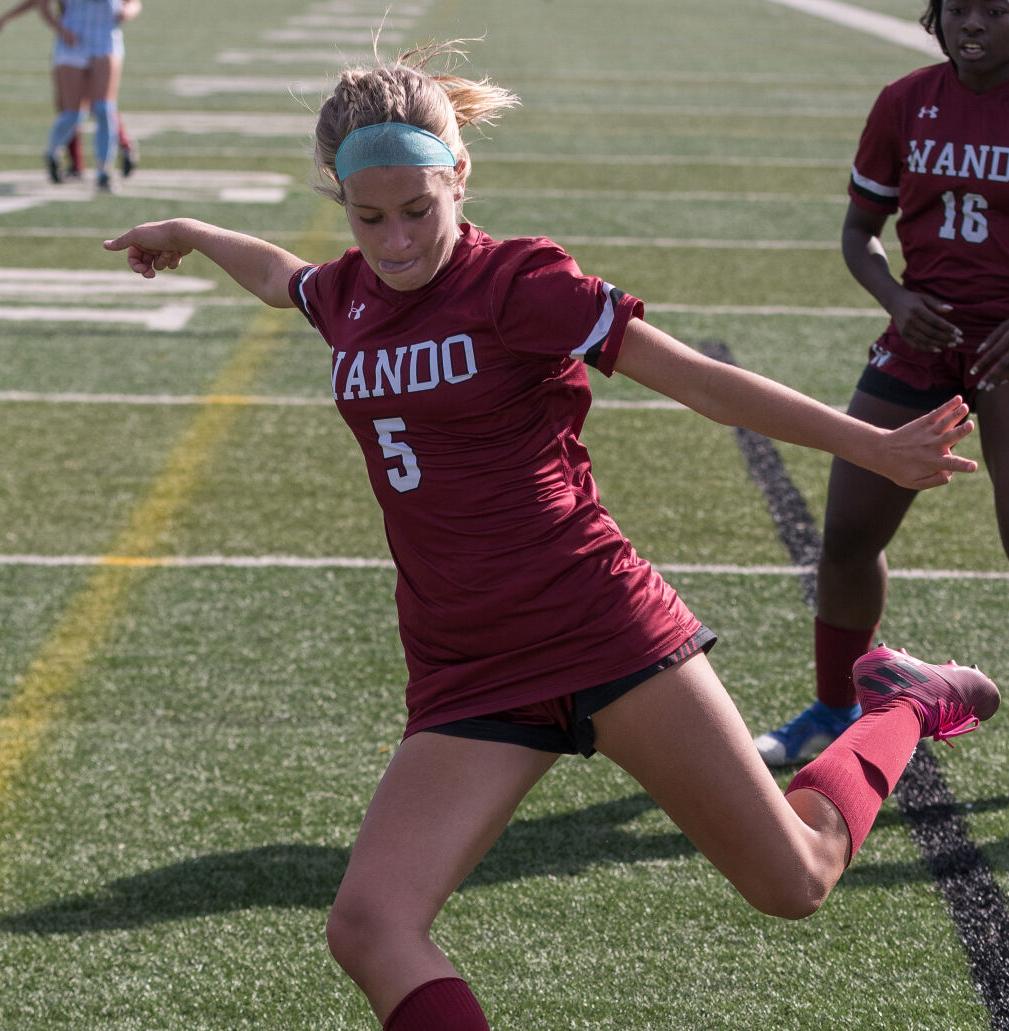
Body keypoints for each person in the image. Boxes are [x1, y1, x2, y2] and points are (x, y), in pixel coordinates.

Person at [102, 40, 1000, 1031]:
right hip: (468, 664)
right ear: (343, 203)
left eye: (418, 211)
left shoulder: (518, 281)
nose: (396, 241)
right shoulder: (348, 292)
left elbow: (698, 380)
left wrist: (871, 443)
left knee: (795, 877)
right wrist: (189, 229)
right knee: (368, 923)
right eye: (368, 217)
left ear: (459, 179)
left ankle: (902, 703)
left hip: (597, 628)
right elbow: (284, 278)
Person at [755, 0, 1009, 767]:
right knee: (847, 534)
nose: (971, 24)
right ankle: (836, 706)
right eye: (957, 7)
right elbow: (857, 232)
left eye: (992, 11)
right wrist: (896, 298)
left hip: (1005, 348)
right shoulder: (905, 100)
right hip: (918, 340)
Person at [38, 0, 140, 190]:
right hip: (73, 39)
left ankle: (103, 171)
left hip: (105, 39)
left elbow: (133, 2)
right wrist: (59, 28)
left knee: (104, 108)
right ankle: (52, 152)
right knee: (73, 114)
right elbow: (42, 6)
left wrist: (127, 11)